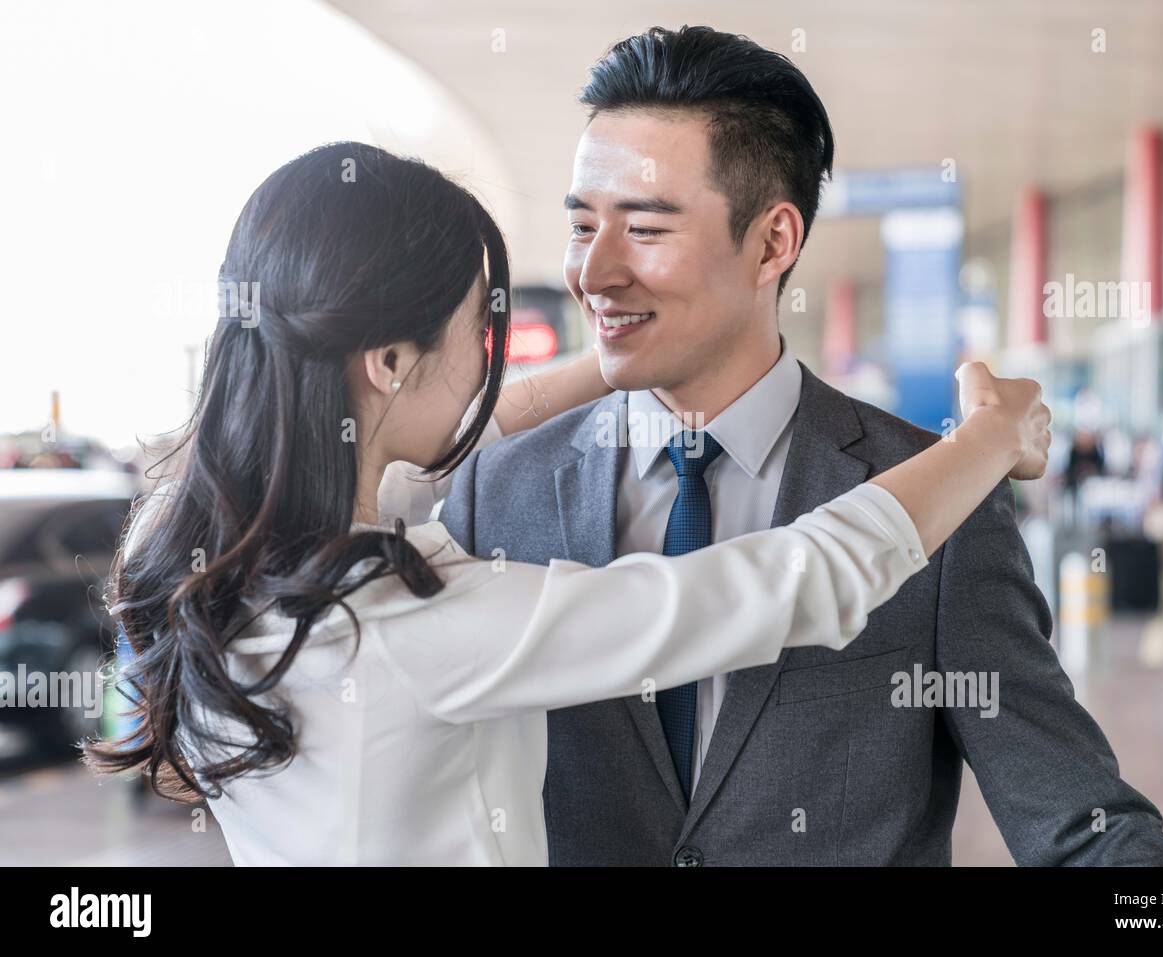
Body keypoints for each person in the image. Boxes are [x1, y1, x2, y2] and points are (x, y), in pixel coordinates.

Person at [85, 141, 1051, 866]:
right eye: (482, 322)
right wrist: (987, 440)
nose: (497, 347)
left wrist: (639, 342)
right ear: (386, 362)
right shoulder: (412, 620)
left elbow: (451, 427)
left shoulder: (219, 544)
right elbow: (789, 583)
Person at [440, 26, 1163, 866]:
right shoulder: (493, 492)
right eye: (583, 226)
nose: (595, 271)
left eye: (645, 229)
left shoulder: (939, 497)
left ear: (773, 243)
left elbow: (1080, 826)